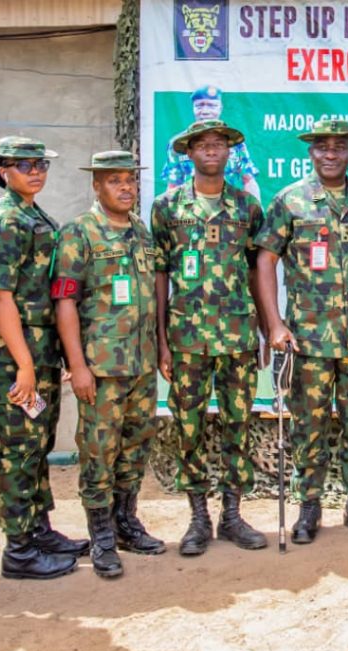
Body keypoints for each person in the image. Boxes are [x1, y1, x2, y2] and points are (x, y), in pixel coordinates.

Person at [255, 119, 348, 542]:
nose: (331, 154)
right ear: (310, 152)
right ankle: (308, 506)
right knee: (308, 427)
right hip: (309, 340)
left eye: (340, 147)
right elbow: (264, 261)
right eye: (322, 147)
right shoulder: (290, 201)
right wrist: (274, 323)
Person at [151, 119, 267, 556]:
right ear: (189, 152)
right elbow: (160, 275)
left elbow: (258, 272)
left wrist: (262, 326)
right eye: (203, 144)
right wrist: (162, 339)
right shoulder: (167, 207)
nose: (212, 150)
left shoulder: (246, 208)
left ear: (229, 152)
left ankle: (232, 515)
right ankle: (198, 517)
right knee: (189, 426)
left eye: (219, 144)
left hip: (237, 335)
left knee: (239, 423)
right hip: (187, 339)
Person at [52, 151, 166, 578]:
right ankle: (100, 536)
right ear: (96, 185)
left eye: (130, 181)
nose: (126, 188)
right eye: (115, 180)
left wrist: (161, 348)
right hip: (100, 369)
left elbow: (155, 295)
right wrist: (76, 365)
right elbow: (65, 301)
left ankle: (125, 522)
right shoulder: (79, 234)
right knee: (99, 452)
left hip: (140, 366)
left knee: (135, 448)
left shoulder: (142, 232)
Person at [0, 137, 88, 581]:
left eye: (41, 164)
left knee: (38, 444)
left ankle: (39, 529)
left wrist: (56, 354)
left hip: (39, 350)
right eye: (25, 165)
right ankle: (19, 549)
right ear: (4, 170)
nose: (36, 171)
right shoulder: (6, 219)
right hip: (14, 356)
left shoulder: (31, 213)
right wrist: (24, 365)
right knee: (20, 450)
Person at [161, 85, 261, 198]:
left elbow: (248, 180)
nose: (205, 111)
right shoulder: (178, 143)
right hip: (189, 209)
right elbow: (173, 184)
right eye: (199, 106)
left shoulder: (234, 142)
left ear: (220, 108)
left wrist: (256, 211)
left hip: (229, 209)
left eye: (211, 106)